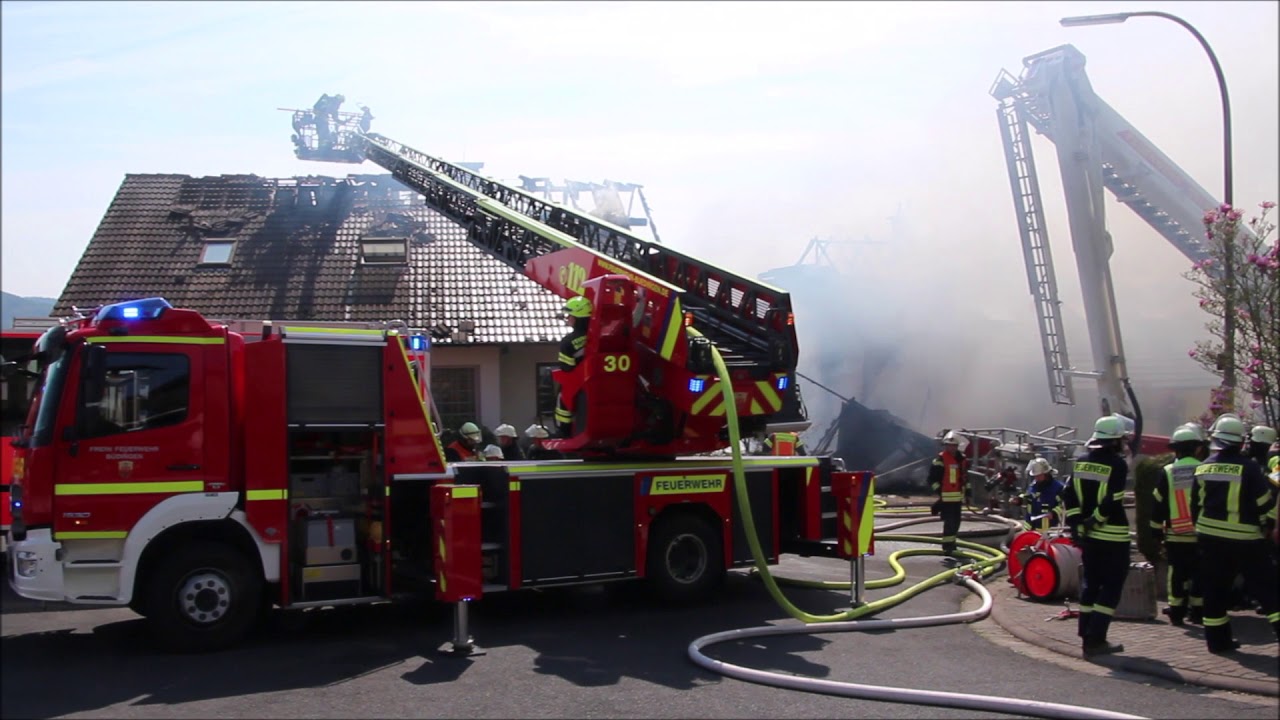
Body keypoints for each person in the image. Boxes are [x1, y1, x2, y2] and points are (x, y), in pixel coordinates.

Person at [1191, 414, 1279, 654]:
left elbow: (1195, 505)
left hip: (1209, 537)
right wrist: (1267, 524)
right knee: (1268, 589)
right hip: (1246, 539)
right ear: (1241, 442)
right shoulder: (1249, 467)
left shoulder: (1203, 467)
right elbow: (1264, 503)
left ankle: (1217, 643)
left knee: (1215, 591)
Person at [1062, 414, 1131, 657]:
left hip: (1087, 537)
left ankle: (1085, 635)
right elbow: (1113, 500)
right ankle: (1097, 638)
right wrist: (1095, 521)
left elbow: (1068, 495)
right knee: (1111, 586)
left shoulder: (1080, 462)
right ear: (1115, 441)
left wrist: (1077, 524)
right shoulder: (1118, 465)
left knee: (1090, 584)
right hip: (1113, 536)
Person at [1150, 425, 1205, 626]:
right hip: (1201, 532)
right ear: (1197, 448)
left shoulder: (1168, 471)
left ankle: (1176, 611)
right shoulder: (1204, 468)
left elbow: (1159, 503)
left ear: (1176, 449)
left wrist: (1155, 530)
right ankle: (1198, 611)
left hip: (1176, 532)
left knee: (1176, 572)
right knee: (1199, 572)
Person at [553, 295, 592, 437]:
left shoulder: (568, 342)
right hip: (599, 380)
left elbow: (566, 368)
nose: (568, 318)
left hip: (579, 384)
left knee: (562, 397)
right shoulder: (599, 334)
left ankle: (564, 430)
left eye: (570, 315)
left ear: (577, 318)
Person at [928, 431, 968, 562]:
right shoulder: (939, 461)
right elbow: (932, 480)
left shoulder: (961, 459)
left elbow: (964, 478)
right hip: (946, 498)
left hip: (957, 499)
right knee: (950, 523)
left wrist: (968, 491)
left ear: (957, 446)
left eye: (953, 445)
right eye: (948, 445)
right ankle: (948, 547)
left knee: (956, 523)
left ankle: (952, 545)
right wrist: (940, 493)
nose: (950, 448)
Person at [1020, 457, 1064, 531]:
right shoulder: (1034, 485)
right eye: (1035, 476)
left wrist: (1054, 513)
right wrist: (1019, 500)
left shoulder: (1058, 488)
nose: (1036, 478)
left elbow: (1064, 505)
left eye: (1039, 476)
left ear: (1046, 474)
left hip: (1049, 531)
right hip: (1030, 529)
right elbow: (1028, 496)